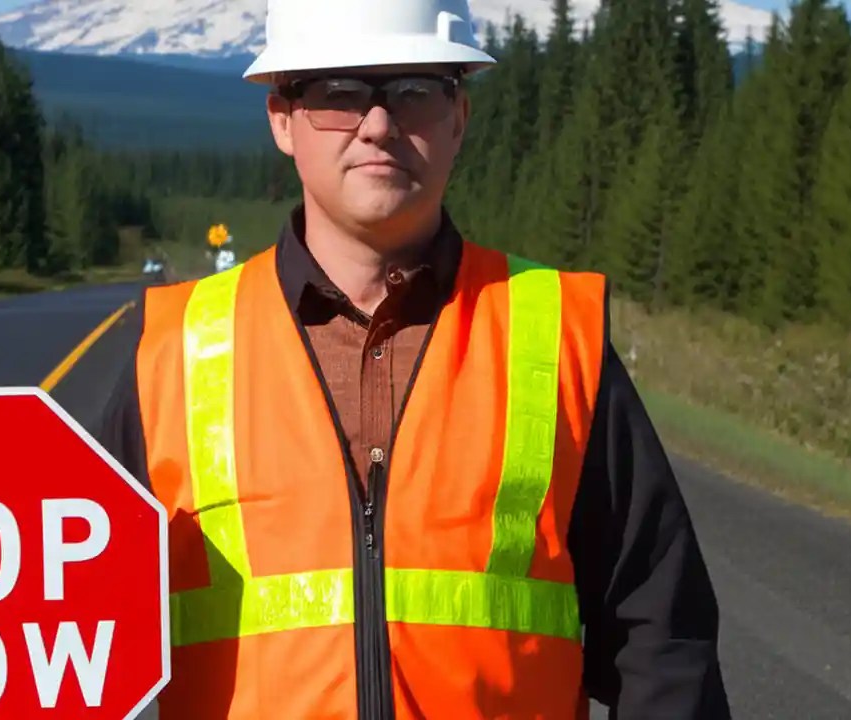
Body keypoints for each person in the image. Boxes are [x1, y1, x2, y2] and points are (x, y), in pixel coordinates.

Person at [99, 0, 730, 717]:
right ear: (282, 117)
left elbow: (662, 633)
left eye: (413, 91)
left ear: (458, 115)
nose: (378, 124)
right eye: (339, 93)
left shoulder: (554, 334)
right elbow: (60, 629)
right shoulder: (175, 350)